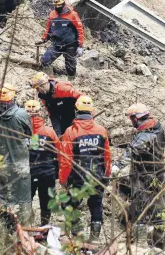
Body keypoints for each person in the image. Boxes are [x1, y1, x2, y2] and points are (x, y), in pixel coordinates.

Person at [59, 96, 111, 241]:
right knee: (96, 205)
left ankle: (78, 234)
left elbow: (66, 160)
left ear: (76, 111)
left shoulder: (70, 132)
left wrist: (63, 179)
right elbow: (107, 156)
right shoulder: (101, 130)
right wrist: (107, 175)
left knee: (68, 205)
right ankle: (94, 239)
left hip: (78, 177)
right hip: (98, 175)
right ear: (92, 112)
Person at [117, 103, 165, 247]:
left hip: (143, 177)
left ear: (136, 118)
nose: (131, 122)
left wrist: (117, 166)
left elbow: (132, 151)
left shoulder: (145, 135)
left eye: (131, 119)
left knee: (140, 211)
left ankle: (140, 245)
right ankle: (160, 242)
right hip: (159, 173)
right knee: (159, 209)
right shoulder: (158, 128)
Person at [0, 84, 34, 224]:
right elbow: (30, 134)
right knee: (24, 200)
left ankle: (2, 231)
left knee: (1, 199)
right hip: (20, 165)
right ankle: (26, 232)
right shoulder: (22, 114)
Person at [25, 99, 61, 226]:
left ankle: (26, 228)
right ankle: (44, 227)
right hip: (47, 172)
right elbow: (59, 152)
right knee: (46, 202)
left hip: (27, 172)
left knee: (25, 201)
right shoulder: (49, 132)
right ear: (40, 113)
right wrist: (58, 172)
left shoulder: (20, 131)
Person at [36, 0, 85, 77]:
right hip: (57, 44)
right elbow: (49, 28)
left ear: (63, 3)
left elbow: (80, 30)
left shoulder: (72, 15)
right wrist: (44, 39)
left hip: (70, 45)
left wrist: (80, 46)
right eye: (56, 5)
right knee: (45, 60)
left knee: (71, 66)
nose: (57, 7)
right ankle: (49, 79)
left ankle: (72, 80)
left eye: (59, 5)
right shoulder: (52, 14)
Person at [29, 71, 83, 136]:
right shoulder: (43, 96)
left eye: (38, 88)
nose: (37, 91)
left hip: (73, 112)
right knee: (60, 135)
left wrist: (86, 116)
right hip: (60, 115)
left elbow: (81, 97)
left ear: (43, 85)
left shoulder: (61, 88)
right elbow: (52, 113)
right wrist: (57, 133)